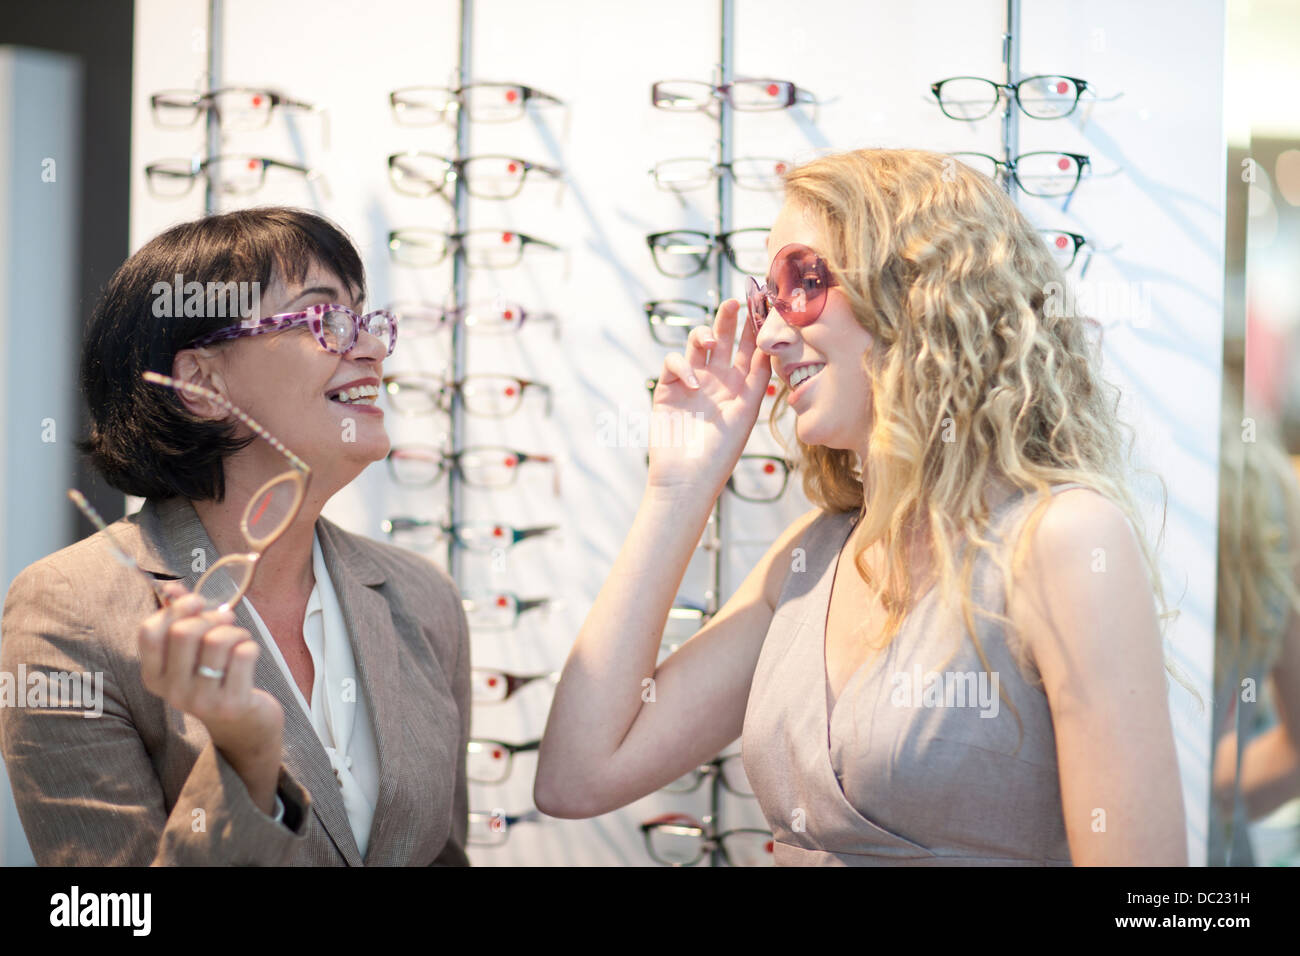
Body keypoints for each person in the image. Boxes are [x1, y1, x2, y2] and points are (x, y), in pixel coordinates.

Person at [535, 148, 1190, 865]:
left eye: (803, 283)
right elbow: (577, 777)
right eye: (767, 300)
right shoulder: (812, 559)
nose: (773, 335)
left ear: (920, 294)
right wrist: (678, 489)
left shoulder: (1061, 541)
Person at [0, 207, 471, 866]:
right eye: (324, 320)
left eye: (365, 320)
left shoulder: (421, 597)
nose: (371, 346)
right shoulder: (70, 612)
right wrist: (244, 760)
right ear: (200, 384)